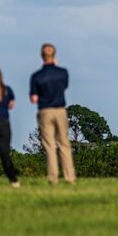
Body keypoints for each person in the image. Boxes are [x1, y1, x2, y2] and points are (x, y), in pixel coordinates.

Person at [30, 43, 76, 184]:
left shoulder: (36, 76)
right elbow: (65, 86)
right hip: (60, 110)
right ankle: (70, 177)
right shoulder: (62, 73)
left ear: (42, 56)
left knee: (49, 146)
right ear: (54, 55)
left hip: (45, 111)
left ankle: (53, 177)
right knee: (64, 144)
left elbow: (33, 98)